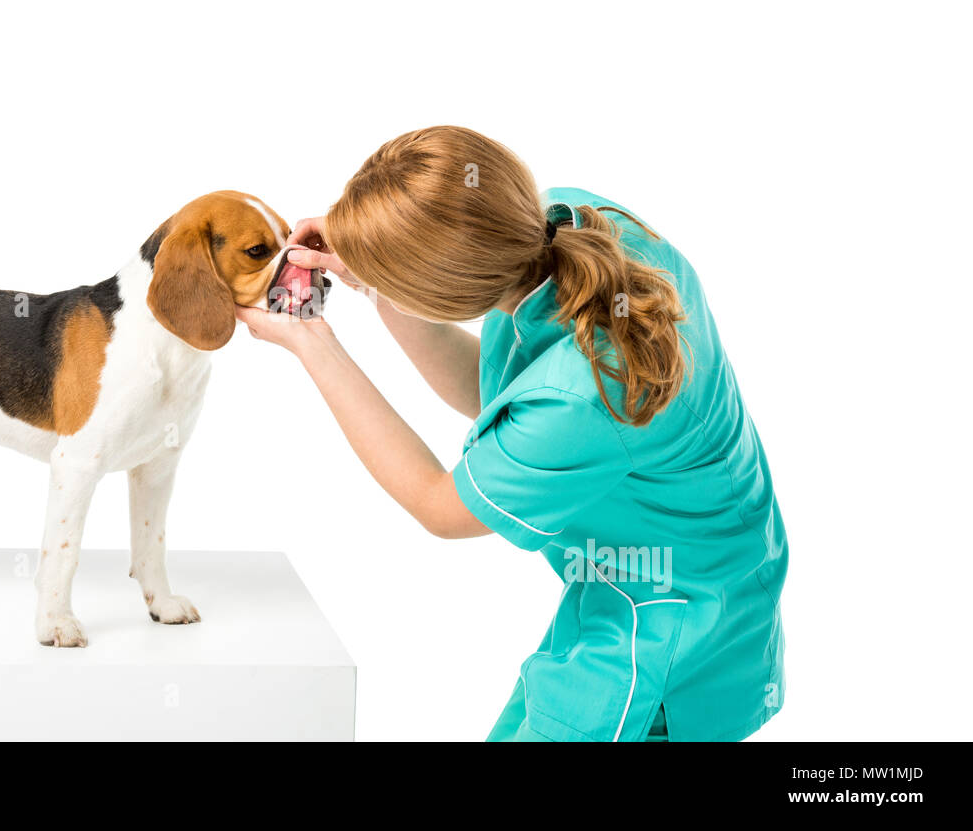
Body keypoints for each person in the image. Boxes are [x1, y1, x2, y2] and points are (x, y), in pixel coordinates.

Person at [234, 125, 788, 741]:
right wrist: (379, 281)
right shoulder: (573, 222)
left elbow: (440, 505)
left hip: (674, 631)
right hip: (653, 583)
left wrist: (314, 345)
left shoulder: (582, 396)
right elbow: (495, 395)